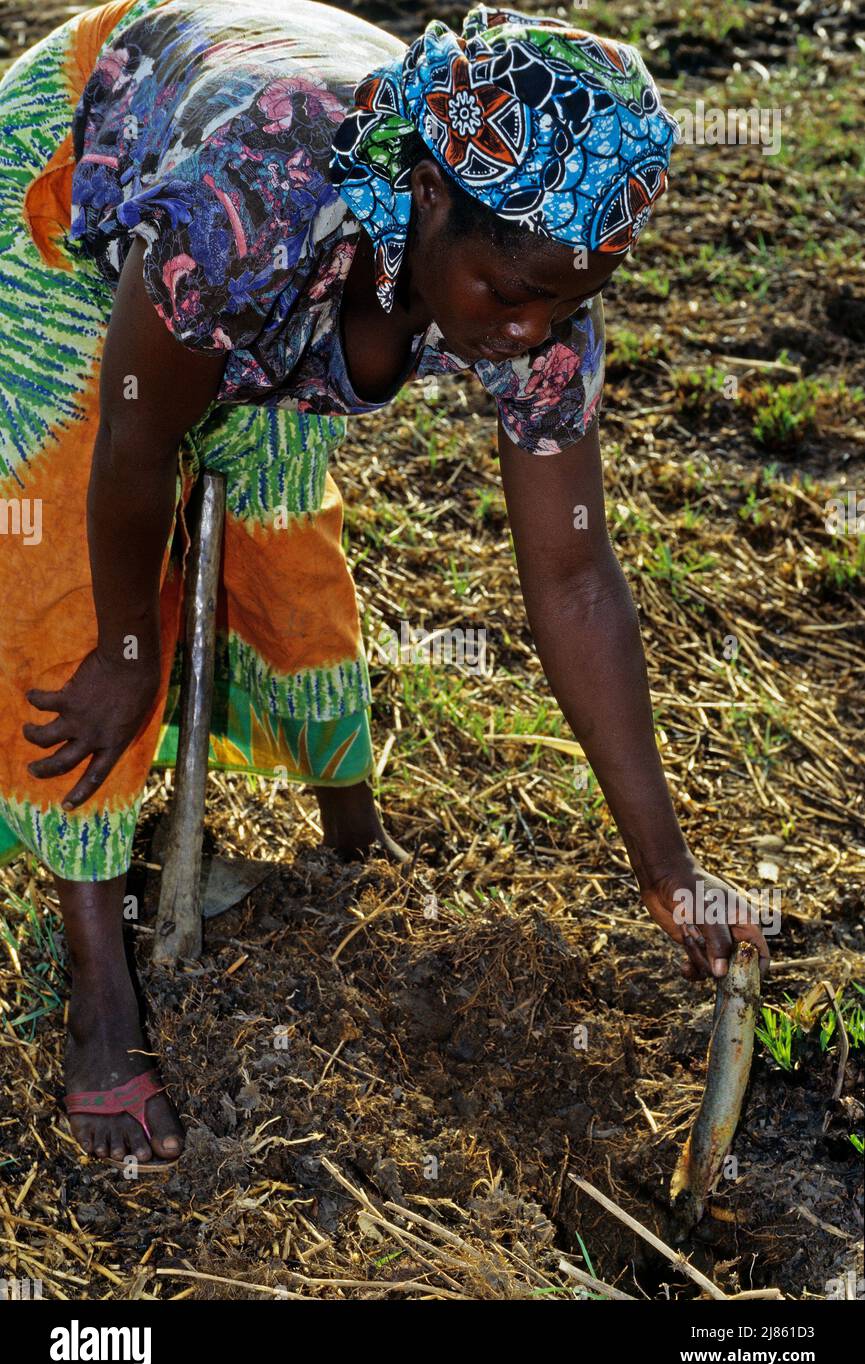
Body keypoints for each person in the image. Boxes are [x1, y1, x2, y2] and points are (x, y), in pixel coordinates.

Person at [0, 0, 769, 1166]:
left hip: (285, 186)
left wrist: (668, 871)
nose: (527, 332)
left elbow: (573, 576)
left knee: (277, 521)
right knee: (66, 568)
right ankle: (99, 987)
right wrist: (124, 647)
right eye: (507, 292)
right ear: (422, 198)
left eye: (564, 299)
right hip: (82, 155)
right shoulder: (246, 211)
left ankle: (349, 830)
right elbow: (133, 441)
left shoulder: (537, 282)